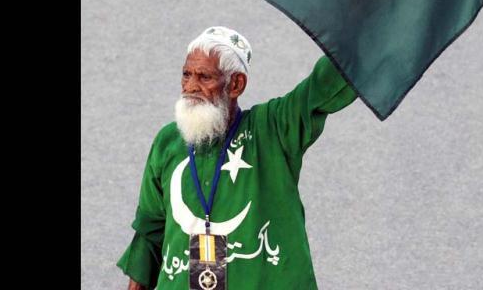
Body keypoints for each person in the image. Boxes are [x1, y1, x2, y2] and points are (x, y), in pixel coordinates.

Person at [117, 25, 357, 289]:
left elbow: (321, 89)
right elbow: (151, 228)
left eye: (204, 77)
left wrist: (363, 26)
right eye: (186, 75)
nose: (191, 86)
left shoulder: (272, 129)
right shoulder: (169, 142)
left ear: (235, 84)